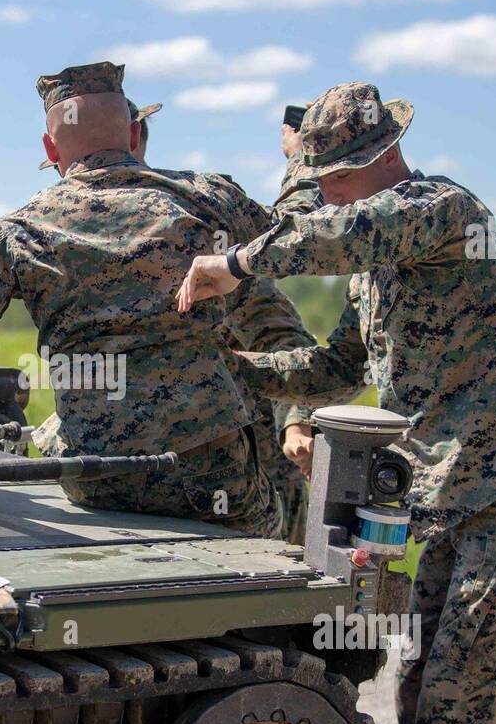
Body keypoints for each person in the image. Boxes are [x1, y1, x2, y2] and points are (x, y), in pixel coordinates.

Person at [176, 81, 496, 724]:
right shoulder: (375, 269)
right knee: (419, 700)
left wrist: (236, 265)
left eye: (334, 179)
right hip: (448, 501)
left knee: (458, 723)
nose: (326, 196)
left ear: (386, 154)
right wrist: (225, 370)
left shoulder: (442, 212)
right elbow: (335, 368)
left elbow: (337, 235)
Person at [0, 61, 352, 539]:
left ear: (50, 148)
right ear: (133, 133)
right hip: (212, 474)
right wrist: (299, 158)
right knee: (274, 548)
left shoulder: (22, 232)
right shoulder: (205, 197)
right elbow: (296, 229)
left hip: (96, 480)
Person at [30, 96, 329, 542]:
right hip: (108, 478)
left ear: (136, 147)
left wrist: (297, 418)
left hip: (225, 471)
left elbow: (277, 330)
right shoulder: (54, 232)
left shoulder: (192, 229)